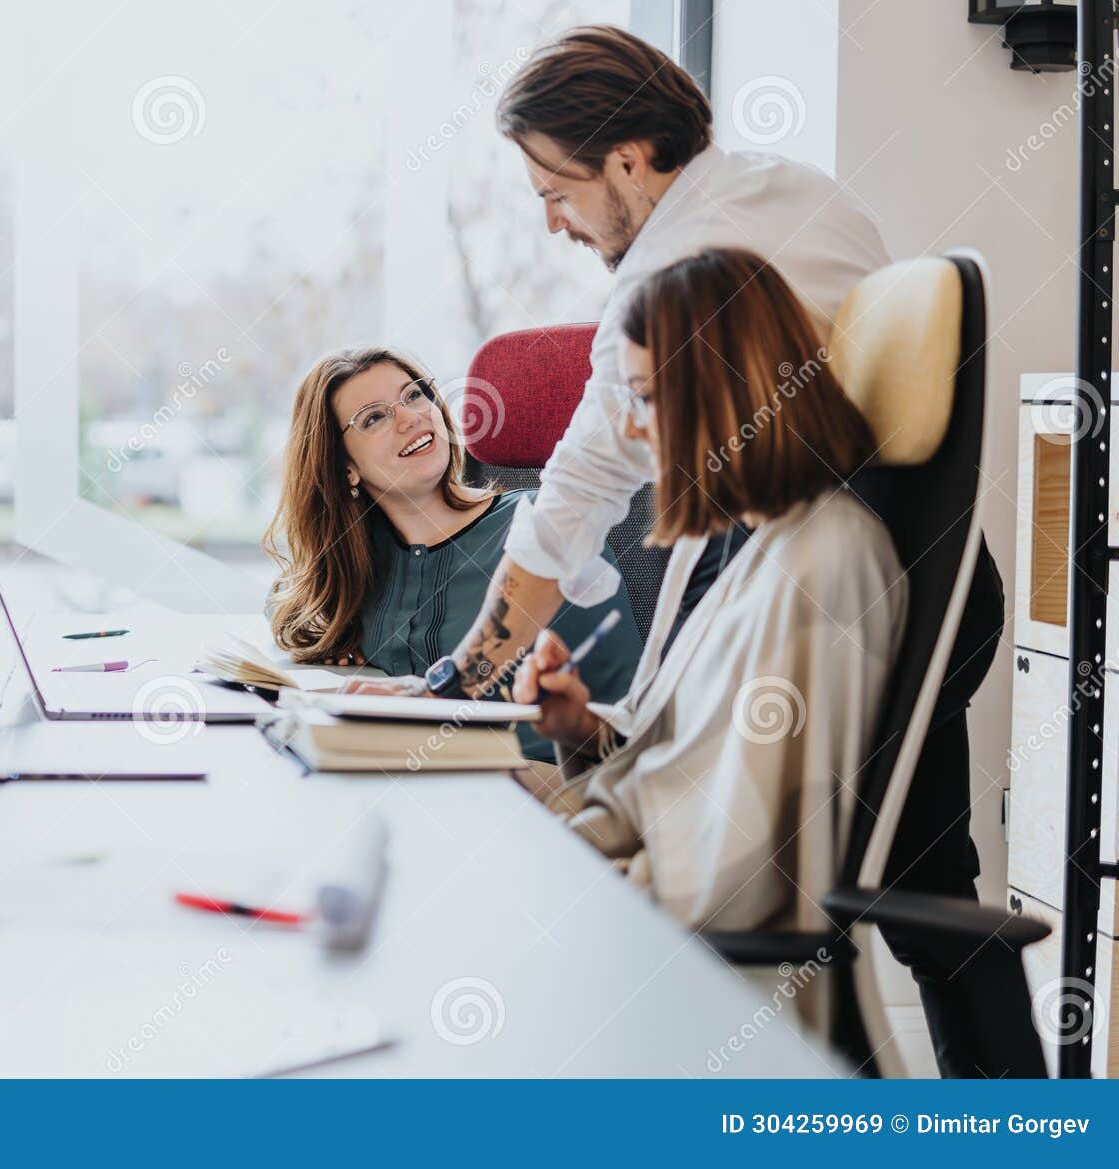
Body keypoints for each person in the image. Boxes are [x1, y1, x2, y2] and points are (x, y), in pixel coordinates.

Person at [347, 24, 1009, 1075]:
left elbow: (575, 490)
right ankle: (1009, 1118)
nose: (556, 223)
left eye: (553, 189)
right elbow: (698, 797)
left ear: (625, 159)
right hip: (899, 573)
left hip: (835, 603)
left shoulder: (679, 288)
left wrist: (469, 696)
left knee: (908, 893)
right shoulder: (789, 191)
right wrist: (569, 748)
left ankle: (1009, 1123)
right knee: (924, 897)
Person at [512, 247, 903, 930]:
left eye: (645, 397)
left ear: (721, 392)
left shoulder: (825, 562)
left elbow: (737, 871)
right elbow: (672, 758)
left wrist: (561, 881)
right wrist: (580, 725)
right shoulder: (720, 541)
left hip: (699, 964)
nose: (632, 428)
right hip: (630, 893)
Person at [263, 345, 641, 764]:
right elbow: (287, 600)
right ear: (344, 468)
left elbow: (619, 718)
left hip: (552, 782)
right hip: (428, 776)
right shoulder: (366, 565)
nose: (410, 417)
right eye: (374, 417)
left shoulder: (545, 526)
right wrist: (330, 633)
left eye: (414, 395)